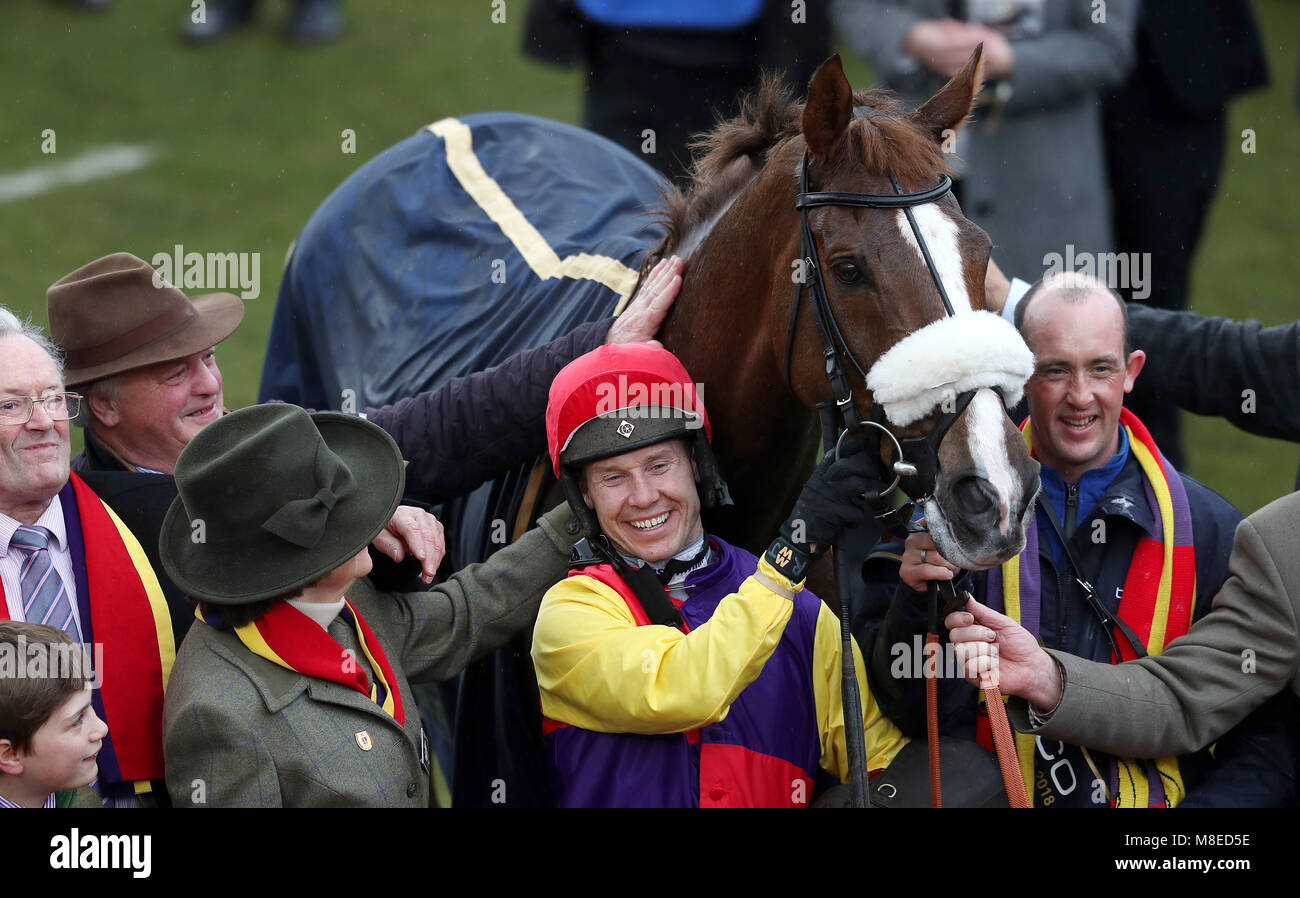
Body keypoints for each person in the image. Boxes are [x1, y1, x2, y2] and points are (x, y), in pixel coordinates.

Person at [860, 271, 1242, 807]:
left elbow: (1253, 732)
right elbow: (898, 716)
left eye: (1100, 369)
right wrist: (915, 603)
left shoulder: (1213, 532)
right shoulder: (947, 514)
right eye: (1055, 370)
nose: (1079, 396)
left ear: (1131, 373)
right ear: (1018, 375)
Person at [531, 343, 906, 807]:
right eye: (613, 477)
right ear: (584, 493)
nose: (644, 497)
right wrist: (792, 552)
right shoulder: (569, 614)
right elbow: (685, 689)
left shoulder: (806, 619)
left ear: (695, 463)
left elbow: (883, 769)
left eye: (658, 465)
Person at [160, 403, 582, 807]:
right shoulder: (216, 716)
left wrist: (583, 511)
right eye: (346, 507)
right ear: (299, 561)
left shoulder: (340, 600)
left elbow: (465, 614)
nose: (374, 515)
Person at [944, 487, 1300, 805]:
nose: (1081, 406)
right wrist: (1044, 676)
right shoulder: (1285, 540)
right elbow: (1179, 698)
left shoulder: (1210, 519)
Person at [831, 0, 1136, 279]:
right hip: (911, 167)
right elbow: (857, 8)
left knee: (1050, 325)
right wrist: (914, 37)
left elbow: (1107, 44)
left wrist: (1013, 60)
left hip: (1044, 185)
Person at [0, 621, 107, 808]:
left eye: (90, 706)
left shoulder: (83, 802)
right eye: (78, 720)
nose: (102, 728)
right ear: (10, 754)